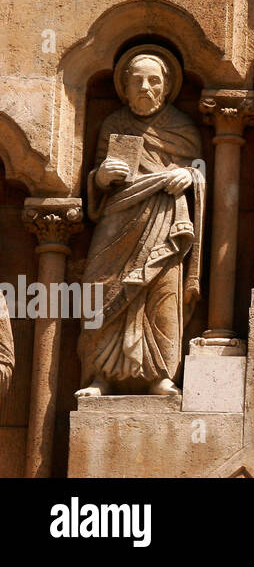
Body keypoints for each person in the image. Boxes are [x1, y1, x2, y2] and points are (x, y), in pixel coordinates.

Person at [76, 45, 204, 396]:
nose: (145, 88)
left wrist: (190, 178)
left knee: (162, 296)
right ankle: (99, 375)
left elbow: (201, 172)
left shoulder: (182, 127)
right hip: (118, 221)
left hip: (164, 223)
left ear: (165, 86)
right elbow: (96, 179)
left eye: (153, 81)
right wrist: (101, 177)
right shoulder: (113, 125)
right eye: (137, 82)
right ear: (125, 87)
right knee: (101, 290)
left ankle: (160, 373)